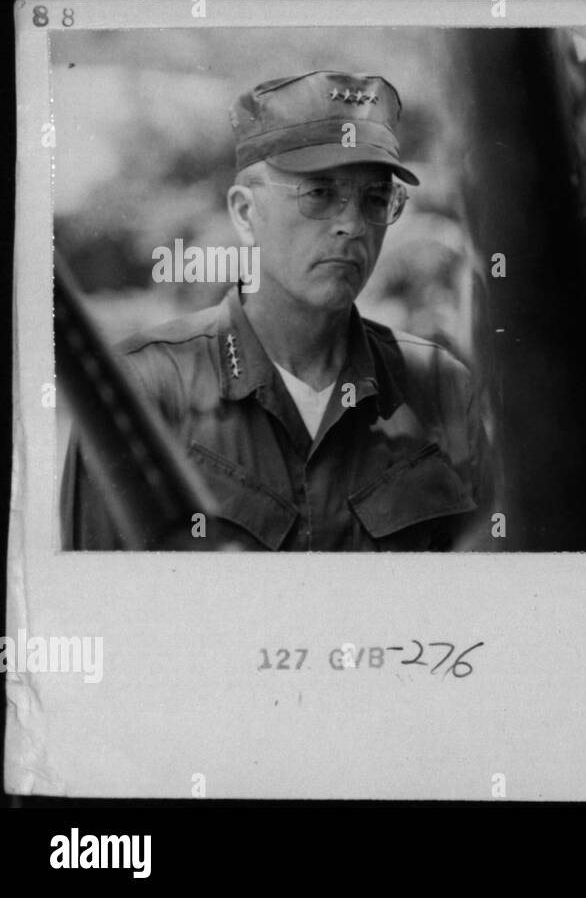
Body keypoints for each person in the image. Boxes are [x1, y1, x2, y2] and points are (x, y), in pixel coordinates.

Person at [61, 70, 493, 551]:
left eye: (375, 198)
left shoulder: (440, 385)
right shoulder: (145, 389)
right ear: (246, 214)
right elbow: (95, 603)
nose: (351, 224)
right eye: (319, 194)